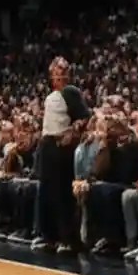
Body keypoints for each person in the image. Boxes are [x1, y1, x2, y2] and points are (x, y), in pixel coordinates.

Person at [34, 56, 91, 253]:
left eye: (63, 71)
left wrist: (72, 132)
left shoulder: (70, 92)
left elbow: (84, 117)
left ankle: (68, 238)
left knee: (61, 194)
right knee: (47, 192)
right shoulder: (51, 95)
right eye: (56, 71)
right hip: (47, 144)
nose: (59, 75)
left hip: (61, 147)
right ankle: (49, 237)